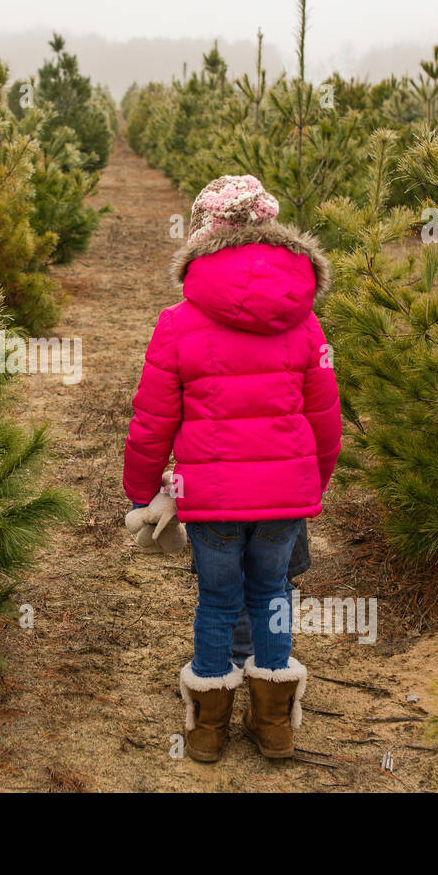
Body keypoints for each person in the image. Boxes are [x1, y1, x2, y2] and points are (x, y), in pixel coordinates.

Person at [122, 175, 341, 763]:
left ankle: (208, 730)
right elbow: (326, 418)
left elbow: (152, 420)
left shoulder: (177, 322)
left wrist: (142, 493)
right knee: (272, 593)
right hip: (284, 497)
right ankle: (274, 727)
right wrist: (308, 483)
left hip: (210, 496)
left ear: (201, 237)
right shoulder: (305, 321)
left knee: (218, 602)